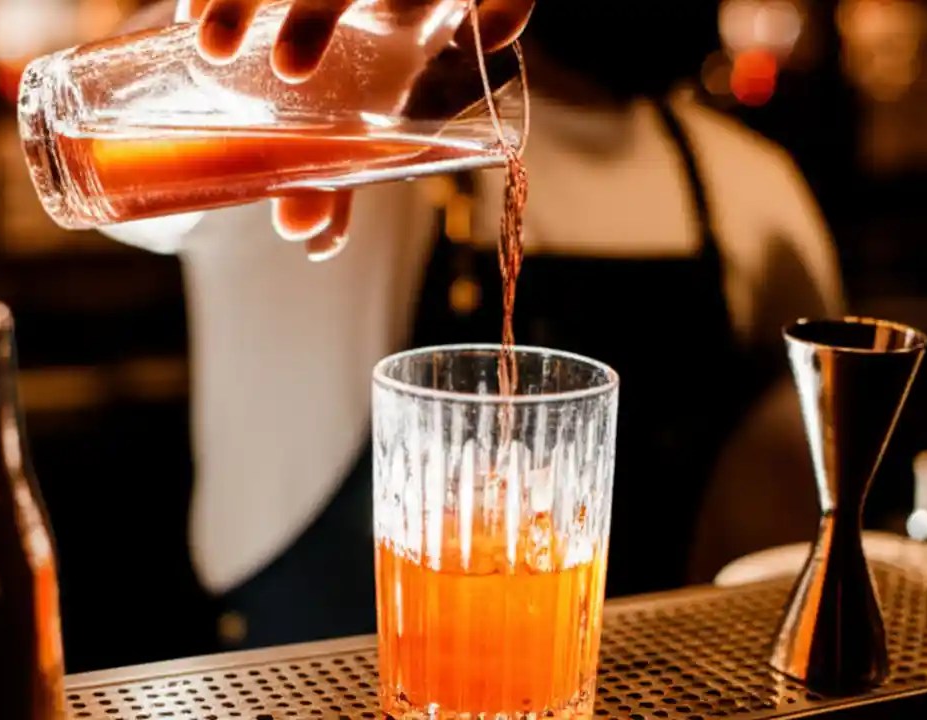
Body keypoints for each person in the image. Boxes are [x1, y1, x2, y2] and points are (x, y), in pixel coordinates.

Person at [88, 0, 844, 662]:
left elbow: (788, 498)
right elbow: (95, 139)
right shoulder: (337, 133)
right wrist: (258, 45)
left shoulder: (754, 186)